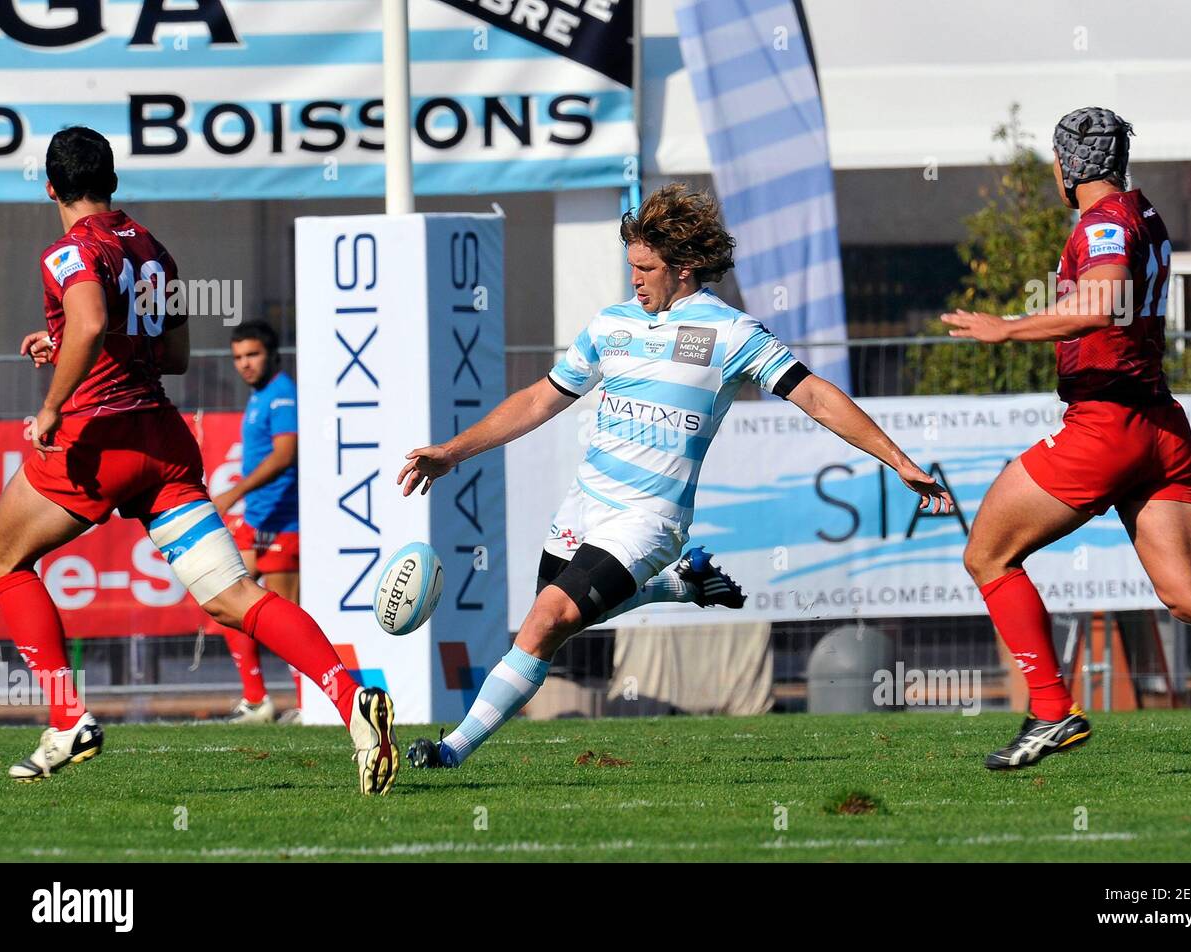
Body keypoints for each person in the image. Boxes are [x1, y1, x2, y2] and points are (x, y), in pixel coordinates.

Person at [399, 183, 953, 769]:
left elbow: (814, 395)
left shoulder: (732, 333)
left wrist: (899, 460)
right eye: (630, 266)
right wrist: (455, 451)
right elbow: (540, 399)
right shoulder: (610, 325)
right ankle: (681, 586)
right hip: (584, 507)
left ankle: (449, 751)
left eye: (646, 268)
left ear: (684, 269)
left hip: (648, 519)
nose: (634, 279)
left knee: (544, 621)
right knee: (558, 622)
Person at [0, 127, 397, 793]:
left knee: (2, 560)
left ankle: (67, 717)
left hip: (98, 437)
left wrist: (56, 402)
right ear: (110, 180)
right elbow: (169, 356)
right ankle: (351, 699)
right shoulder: (151, 248)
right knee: (235, 598)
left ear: (51, 187)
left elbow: (88, 323)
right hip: (163, 443)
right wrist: (62, 340)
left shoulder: (67, 251)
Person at [942, 106, 1191, 769]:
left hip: (1108, 424)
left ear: (1068, 166)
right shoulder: (1143, 213)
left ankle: (1051, 710)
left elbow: (1100, 304)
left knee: (987, 556)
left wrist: (1006, 327)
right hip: (1158, 422)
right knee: (1188, 593)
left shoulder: (1103, 224)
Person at [213, 320, 302, 724]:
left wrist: (234, 492)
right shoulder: (260, 396)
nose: (245, 364)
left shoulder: (283, 393)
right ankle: (256, 700)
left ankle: (307, 704)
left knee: (287, 615)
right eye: (238, 358)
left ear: (272, 355)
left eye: (253, 355)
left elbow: (286, 455)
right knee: (222, 598)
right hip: (256, 523)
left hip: (285, 523)